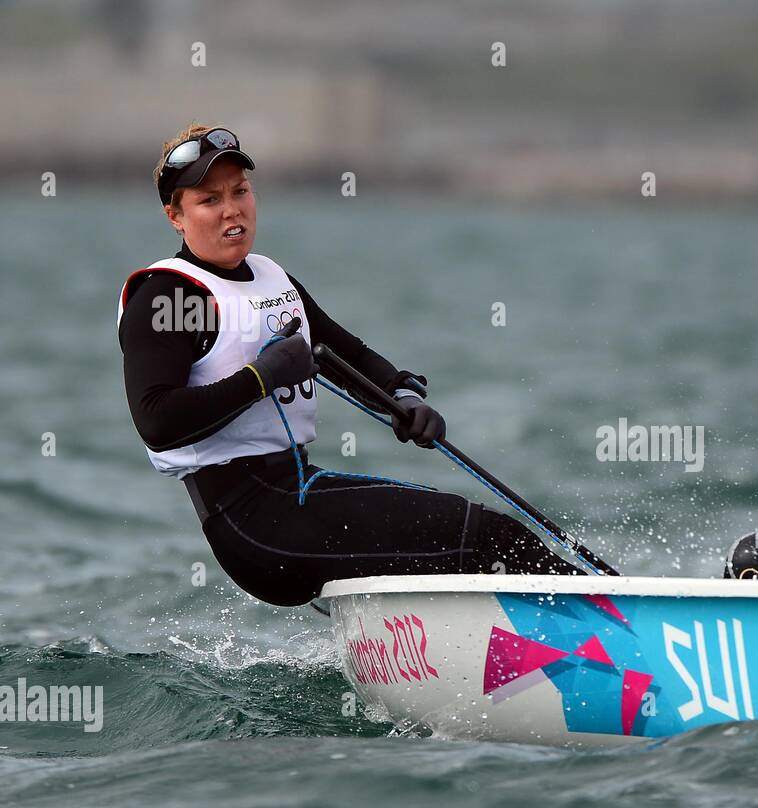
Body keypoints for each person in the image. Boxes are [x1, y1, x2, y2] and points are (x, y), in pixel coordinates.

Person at [117, 123, 583, 606]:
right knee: (485, 536)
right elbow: (157, 420)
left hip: (295, 491)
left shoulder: (270, 278)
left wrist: (399, 396)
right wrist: (264, 376)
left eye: (240, 191)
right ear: (175, 215)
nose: (232, 209)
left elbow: (346, 354)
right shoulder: (168, 297)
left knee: (463, 540)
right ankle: (610, 630)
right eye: (209, 200)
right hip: (253, 522)